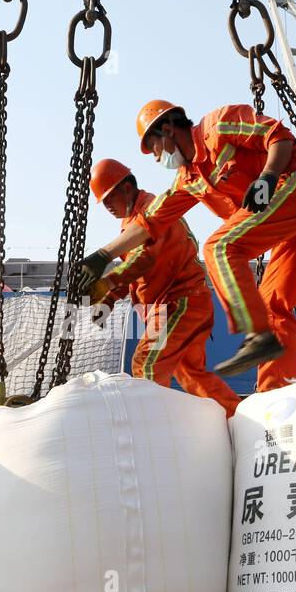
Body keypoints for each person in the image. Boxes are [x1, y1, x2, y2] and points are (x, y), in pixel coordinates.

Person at [75, 101, 296, 392]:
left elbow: (277, 135)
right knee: (270, 307)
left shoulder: (218, 126)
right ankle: (276, 395)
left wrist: (268, 174)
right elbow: (149, 224)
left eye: (154, 148)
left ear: (167, 130)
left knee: (219, 247)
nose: (155, 158)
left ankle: (256, 336)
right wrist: (102, 257)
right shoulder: (189, 180)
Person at [85, 157, 241, 417]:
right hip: (179, 304)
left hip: (178, 302)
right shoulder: (132, 221)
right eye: (105, 202)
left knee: (147, 363)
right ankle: (236, 419)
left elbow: (144, 260)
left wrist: (107, 284)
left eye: (110, 197)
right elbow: (138, 274)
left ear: (126, 187)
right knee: (193, 376)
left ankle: (152, 427)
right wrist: (109, 298)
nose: (108, 206)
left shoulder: (152, 211)